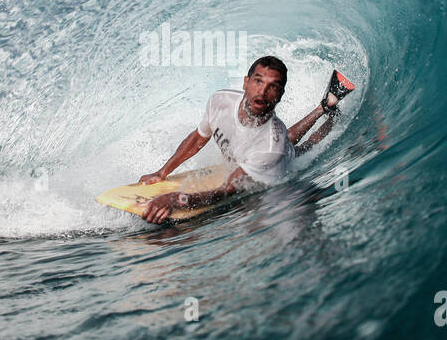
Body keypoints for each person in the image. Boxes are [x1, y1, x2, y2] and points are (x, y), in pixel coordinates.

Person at [138, 56, 351, 223]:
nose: (263, 92)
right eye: (258, 81)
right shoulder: (220, 101)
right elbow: (197, 138)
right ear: (245, 83)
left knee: (299, 147)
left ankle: (330, 115)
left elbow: (226, 192)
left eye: (273, 87)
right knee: (286, 139)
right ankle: (323, 107)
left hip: (276, 166)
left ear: (281, 94)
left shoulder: (272, 150)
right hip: (264, 144)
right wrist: (163, 172)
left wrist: (179, 199)